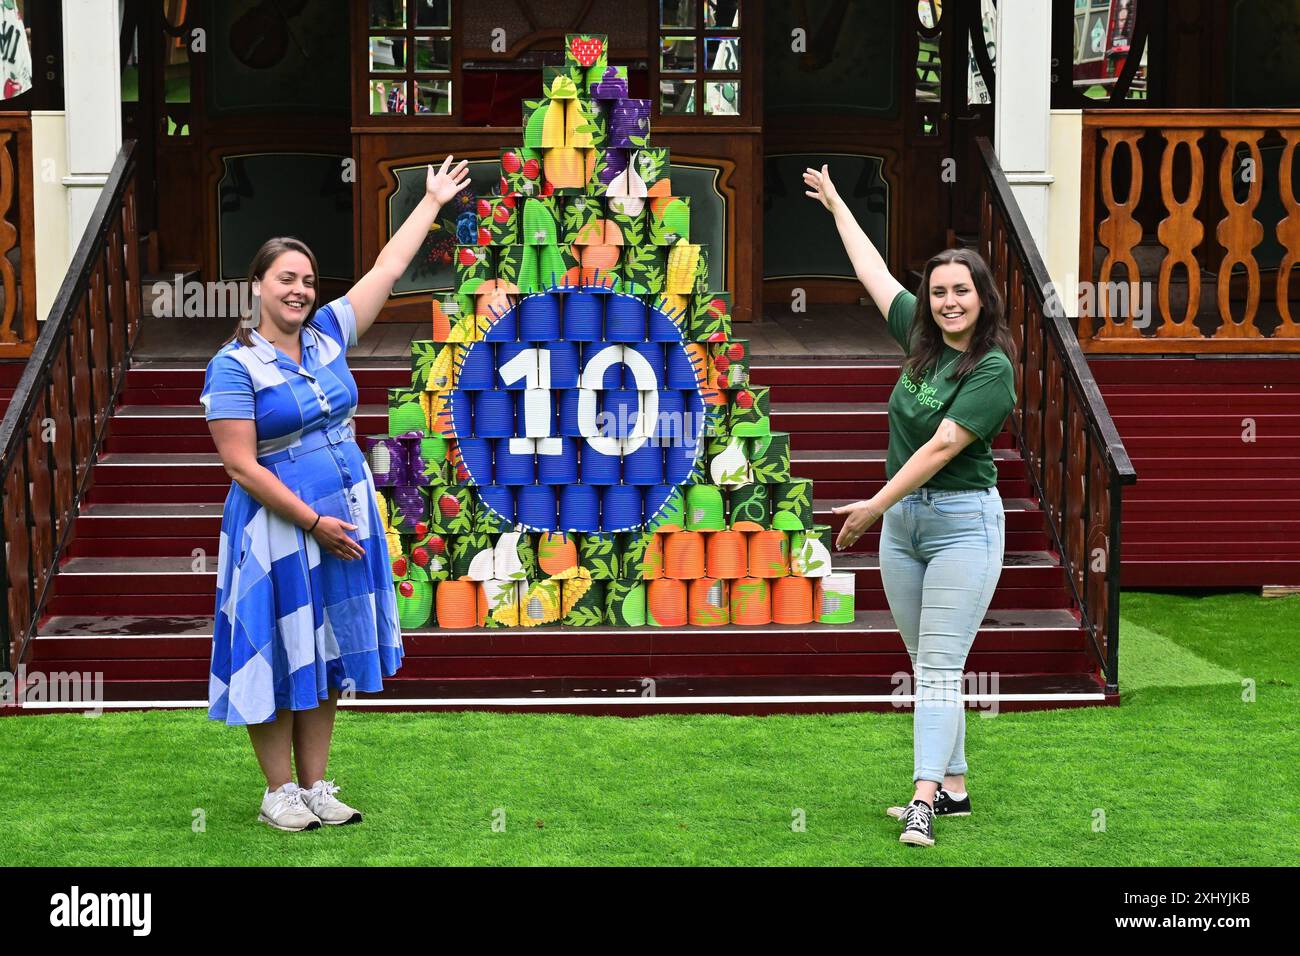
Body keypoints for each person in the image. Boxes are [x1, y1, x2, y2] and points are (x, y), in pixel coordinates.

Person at [201, 156, 471, 832]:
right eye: (285, 279)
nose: (298, 290)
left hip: (344, 518)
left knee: (321, 648)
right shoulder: (234, 366)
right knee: (278, 642)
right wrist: (312, 520)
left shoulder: (326, 337)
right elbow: (240, 465)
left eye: (307, 281)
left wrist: (432, 201)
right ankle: (277, 793)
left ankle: (317, 785)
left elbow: (386, 268)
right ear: (258, 286)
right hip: (278, 526)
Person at [803, 164, 1017, 848]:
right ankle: (954, 787)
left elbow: (939, 449)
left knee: (939, 669)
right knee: (927, 661)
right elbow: (872, 272)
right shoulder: (920, 341)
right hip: (905, 527)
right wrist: (838, 205)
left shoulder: (992, 369)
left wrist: (868, 507)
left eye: (962, 291)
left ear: (983, 298)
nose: (950, 302)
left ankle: (923, 798)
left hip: (962, 525)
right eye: (940, 292)